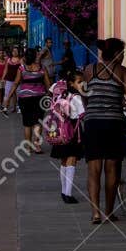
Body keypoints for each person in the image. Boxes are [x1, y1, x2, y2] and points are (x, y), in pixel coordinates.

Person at [79, 37, 126, 225]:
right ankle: (109, 212)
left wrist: (91, 110)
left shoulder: (88, 70)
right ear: (117, 54)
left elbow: (84, 96)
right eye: (123, 53)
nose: (124, 56)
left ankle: (95, 213)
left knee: (94, 170)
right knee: (112, 170)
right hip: (114, 124)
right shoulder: (122, 72)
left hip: (92, 124)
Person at [44, 70, 84, 203]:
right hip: (72, 132)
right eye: (79, 82)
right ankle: (68, 193)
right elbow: (82, 115)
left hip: (59, 131)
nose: (82, 84)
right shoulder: (77, 98)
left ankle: (63, 191)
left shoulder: (59, 95)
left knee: (63, 161)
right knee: (71, 161)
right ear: (72, 83)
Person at [16, 48, 51, 153]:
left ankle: (28, 147)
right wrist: (50, 96)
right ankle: (37, 146)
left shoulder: (21, 68)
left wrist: (8, 98)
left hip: (24, 99)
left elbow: (16, 83)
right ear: (35, 56)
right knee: (38, 122)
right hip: (39, 98)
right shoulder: (42, 68)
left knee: (27, 124)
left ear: (25, 57)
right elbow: (48, 84)